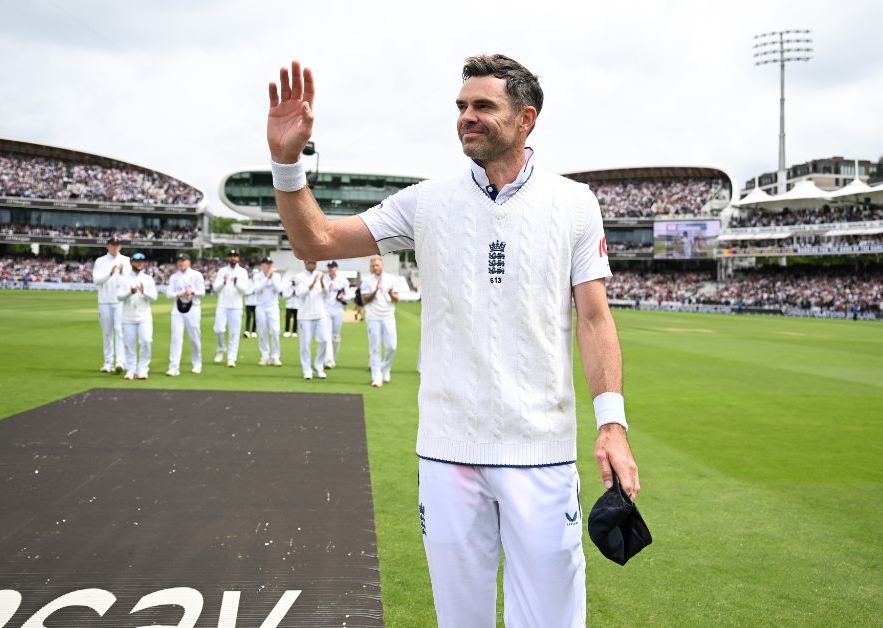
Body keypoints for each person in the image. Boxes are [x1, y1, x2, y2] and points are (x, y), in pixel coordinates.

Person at [266, 55, 639, 627]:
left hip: (540, 454)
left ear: (526, 119)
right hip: (448, 453)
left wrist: (611, 424)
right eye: (462, 106)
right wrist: (286, 162)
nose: (467, 116)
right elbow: (315, 241)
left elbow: (594, 318)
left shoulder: (574, 203)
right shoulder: (425, 202)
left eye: (483, 106)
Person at [91, 235, 130, 373]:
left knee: (119, 331)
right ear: (107, 246)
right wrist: (110, 273)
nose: (115, 247)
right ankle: (108, 362)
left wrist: (122, 271)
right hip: (104, 301)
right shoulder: (100, 261)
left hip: (119, 301)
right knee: (107, 333)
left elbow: (129, 280)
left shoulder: (126, 260)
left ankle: (120, 361)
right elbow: (96, 281)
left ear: (120, 246)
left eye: (117, 244)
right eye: (113, 244)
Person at [360, 255, 400, 387]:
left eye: (377, 265)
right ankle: (377, 377)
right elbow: (364, 300)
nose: (375, 267)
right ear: (370, 267)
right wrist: (375, 290)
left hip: (388, 316)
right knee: (375, 348)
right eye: (373, 266)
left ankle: (385, 368)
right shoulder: (366, 281)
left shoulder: (391, 279)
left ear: (382, 265)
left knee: (392, 346)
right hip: (373, 317)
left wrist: (390, 294)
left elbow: (396, 299)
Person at [117, 252, 157, 380]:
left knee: (146, 341)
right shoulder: (124, 279)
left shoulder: (148, 279)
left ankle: (143, 368)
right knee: (130, 344)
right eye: (137, 261)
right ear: (131, 262)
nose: (140, 263)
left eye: (141, 261)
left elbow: (154, 297)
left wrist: (144, 292)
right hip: (128, 316)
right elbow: (119, 297)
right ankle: (131, 369)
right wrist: (130, 292)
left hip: (144, 316)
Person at [166, 253, 206, 376]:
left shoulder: (196, 275)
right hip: (178, 308)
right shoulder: (174, 277)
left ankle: (197, 364)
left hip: (193, 308)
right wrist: (179, 294)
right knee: (176, 337)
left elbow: (202, 292)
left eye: (183, 260)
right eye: (179, 260)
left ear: (189, 262)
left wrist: (192, 292)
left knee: (194, 337)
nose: (181, 263)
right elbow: (168, 294)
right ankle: (174, 367)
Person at [292, 259, 329, 380]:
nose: (313, 265)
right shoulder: (299, 277)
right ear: (305, 263)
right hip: (305, 316)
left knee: (324, 340)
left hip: (320, 313)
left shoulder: (320, 275)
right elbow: (300, 294)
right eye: (311, 263)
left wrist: (322, 282)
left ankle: (319, 366)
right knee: (305, 344)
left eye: (314, 263)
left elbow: (327, 294)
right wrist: (312, 283)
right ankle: (307, 369)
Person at [212, 249, 249, 368]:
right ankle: (221, 349)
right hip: (222, 305)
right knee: (219, 329)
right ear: (228, 258)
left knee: (234, 333)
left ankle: (231, 358)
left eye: (235, 256)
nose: (233, 258)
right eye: (231, 256)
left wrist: (236, 284)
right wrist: (223, 282)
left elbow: (245, 290)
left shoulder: (243, 272)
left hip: (236, 306)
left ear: (238, 258)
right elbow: (215, 289)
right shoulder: (222, 271)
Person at [250, 257, 284, 366]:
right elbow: (256, 290)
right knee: (262, 332)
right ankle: (265, 356)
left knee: (275, 331)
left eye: (270, 263)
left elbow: (279, 289)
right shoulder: (257, 276)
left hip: (273, 306)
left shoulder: (276, 276)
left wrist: (272, 277)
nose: (268, 265)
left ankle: (275, 356)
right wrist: (266, 278)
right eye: (266, 263)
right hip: (261, 307)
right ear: (262, 265)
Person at [322, 260, 347, 368]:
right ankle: (328, 361)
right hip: (325, 310)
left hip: (338, 310)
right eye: (329, 267)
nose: (331, 269)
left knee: (336, 337)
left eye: (332, 267)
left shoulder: (343, 281)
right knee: (327, 336)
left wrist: (343, 297)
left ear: (336, 268)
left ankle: (333, 358)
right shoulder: (323, 279)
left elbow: (349, 294)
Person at [243, 258, 259, 339]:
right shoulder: (248, 281)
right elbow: (244, 291)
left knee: (256, 317)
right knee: (248, 316)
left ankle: (253, 331)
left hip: (256, 302)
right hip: (249, 302)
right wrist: (251, 292)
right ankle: (247, 331)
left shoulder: (258, 282)